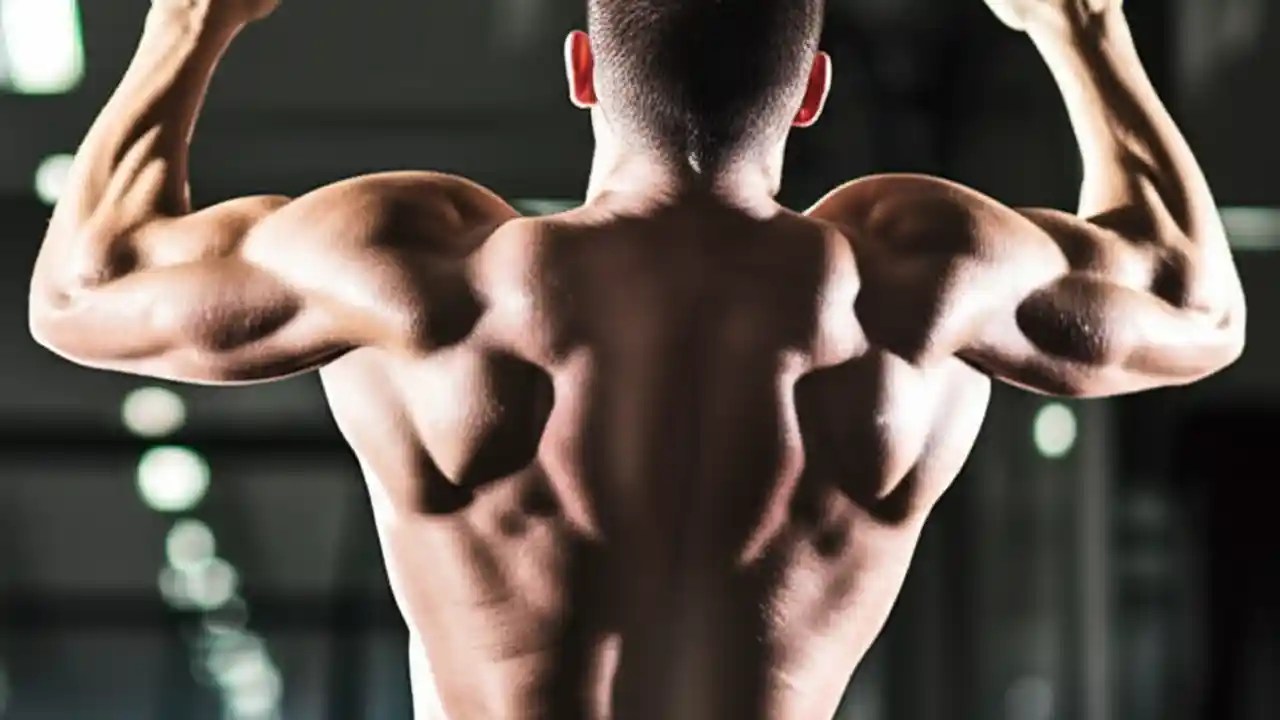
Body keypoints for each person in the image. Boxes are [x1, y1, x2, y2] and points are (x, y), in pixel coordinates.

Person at [27, 0, 1246, 717]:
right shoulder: (909, 281)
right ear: (811, 89)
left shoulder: (429, 273)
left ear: (581, 67)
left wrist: (192, 22)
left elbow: (86, 290)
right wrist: (1078, 26)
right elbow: (1195, 311)